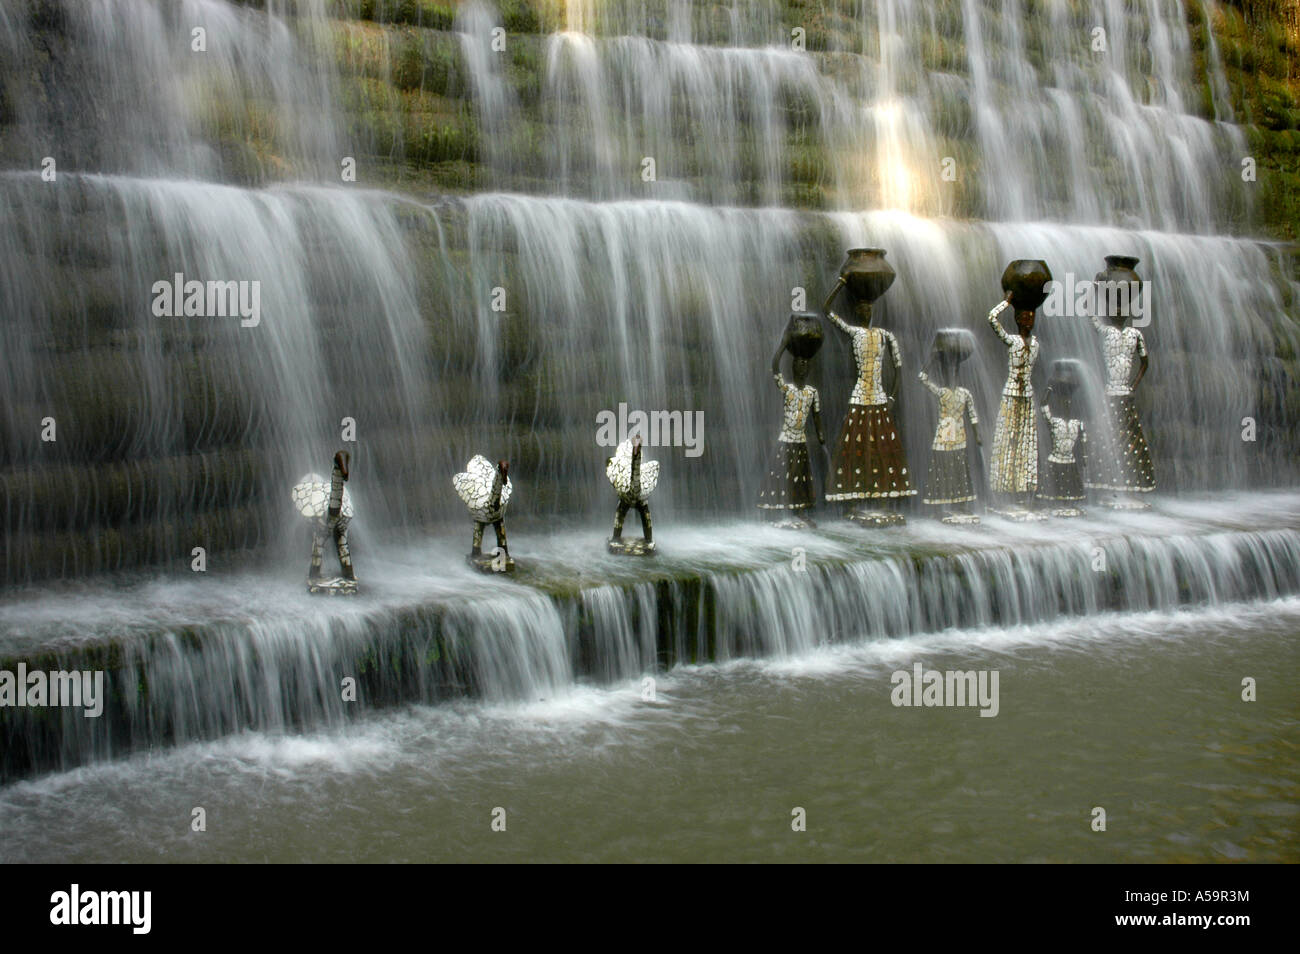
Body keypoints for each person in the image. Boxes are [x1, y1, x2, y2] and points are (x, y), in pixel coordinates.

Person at [822, 277, 914, 521]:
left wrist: (893, 394)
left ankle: (882, 496)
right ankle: (855, 498)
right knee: (855, 446)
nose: (866, 311)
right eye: (861, 309)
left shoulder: (885, 335)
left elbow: (899, 366)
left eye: (869, 308)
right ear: (857, 312)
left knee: (883, 447)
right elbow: (827, 310)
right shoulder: (854, 333)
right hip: (860, 394)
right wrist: (841, 282)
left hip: (880, 395)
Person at [757, 338, 825, 524]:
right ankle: (775, 509)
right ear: (793, 368)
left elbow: (816, 414)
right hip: (786, 438)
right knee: (781, 472)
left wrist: (820, 433)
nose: (802, 367)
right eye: (798, 364)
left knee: (801, 475)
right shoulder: (787, 389)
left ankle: (799, 511)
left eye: (806, 365)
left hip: (800, 438)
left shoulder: (812, 392)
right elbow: (775, 368)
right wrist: (783, 345)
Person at [986, 292, 1041, 511]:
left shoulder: (1035, 343)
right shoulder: (1012, 341)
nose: (1029, 320)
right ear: (1018, 319)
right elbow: (991, 318)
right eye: (1025, 317)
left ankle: (1023, 490)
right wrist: (1006, 302)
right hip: (1010, 394)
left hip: (1027, 395)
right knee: (1007, 441)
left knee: (1026, 444)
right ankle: (1004, 490)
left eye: (1032, 317)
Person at [918, 353, 980, 520]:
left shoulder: (965, 393)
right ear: (944, 375)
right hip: (945, 430)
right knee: (942, 466)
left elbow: (973, 415)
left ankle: (960, 504)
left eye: (954, 372)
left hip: (959, 431)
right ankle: (938, 505)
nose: (951, 374)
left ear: (958, 374)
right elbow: (922, 379)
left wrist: (977, 434)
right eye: (948, 372)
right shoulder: (941, 392)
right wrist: (931, 359)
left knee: (960, 467)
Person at [1037, 385, 1087, 515]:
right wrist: (1049, 388)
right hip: (1056, 459)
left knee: (1069, 485)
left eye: (1069, 402)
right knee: (1055, 485)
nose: (1067, 404)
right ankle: (1053, 504)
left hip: (1070, 460)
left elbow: (1084, 441)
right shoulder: (1055, 422)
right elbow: (1043, 405)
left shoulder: (1077, 423)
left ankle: (1067, 505)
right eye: (1064, 402)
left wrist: (1085, 457)